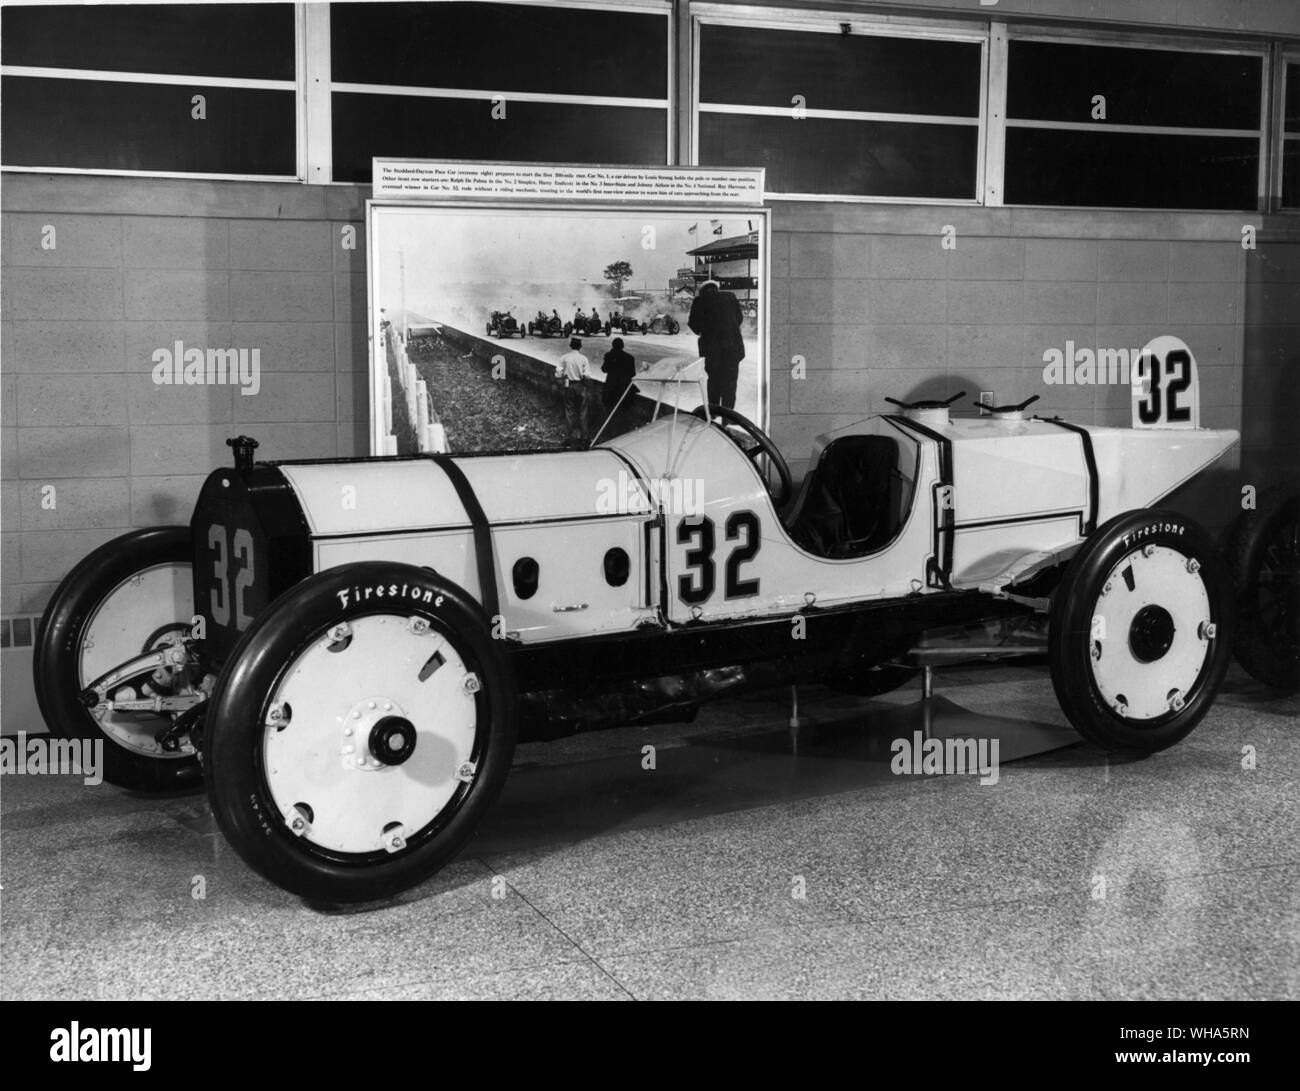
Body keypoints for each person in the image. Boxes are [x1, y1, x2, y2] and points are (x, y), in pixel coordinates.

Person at [687, 280, 745, 410]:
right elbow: (739, 319)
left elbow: (693, 325)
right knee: (730, 383)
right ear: (716, 288)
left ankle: (713, 414)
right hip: (733, 348)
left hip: (711, 350)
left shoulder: (699, 301)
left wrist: (705, 330)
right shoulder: (730, 296)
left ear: (702, 291)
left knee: (713, 381)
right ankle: (728, 418)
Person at [555, 337, 591, 447]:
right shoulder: (584, 359)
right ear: (580, 346)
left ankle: (571, 437)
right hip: (580, 386)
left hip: (569, 385)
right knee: (583, 412)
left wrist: (563, 380)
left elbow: (558, 374)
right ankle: (585, 438)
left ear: (570, 346)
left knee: (569, 412)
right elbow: (587, 376)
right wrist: (586, 388)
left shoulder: (564, 358)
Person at [601, 337, 637, 414]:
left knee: (609, 410)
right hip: (624, 388)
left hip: (611, 388)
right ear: (622, 346)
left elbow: (604, 369)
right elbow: (633, 373)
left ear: (613, 345)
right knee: (623, 412)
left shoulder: (609, 355)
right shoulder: (630, 358)